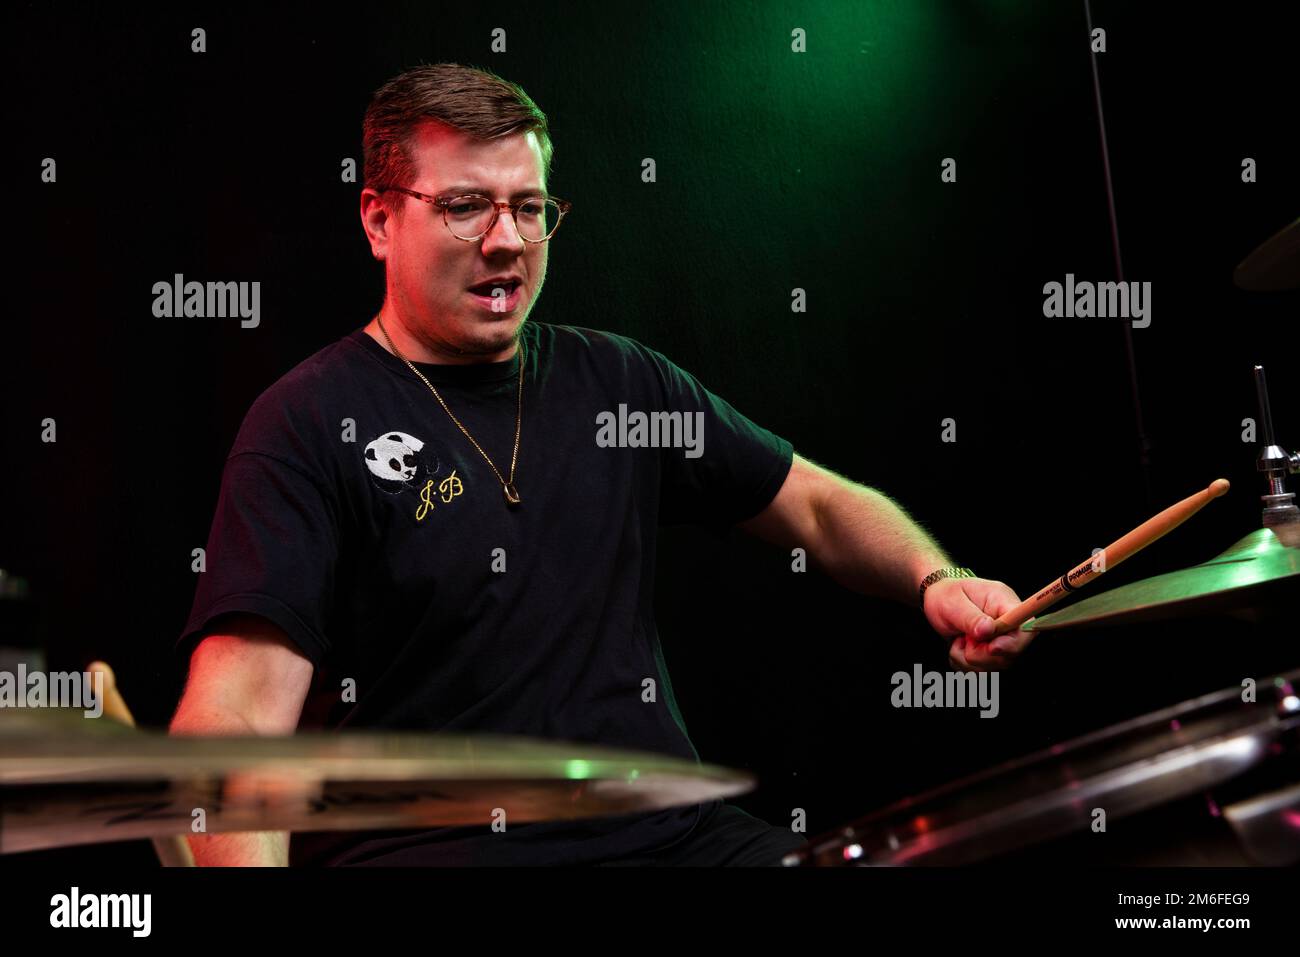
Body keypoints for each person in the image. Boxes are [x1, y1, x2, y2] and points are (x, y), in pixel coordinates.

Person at [169, 62, 1033, 867]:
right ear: (379, 220)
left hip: (672, 838)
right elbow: (232, 719)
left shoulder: (617, 379)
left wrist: (933, 576)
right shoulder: (307, 423)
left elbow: (812, 504)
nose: (506, 240)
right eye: (466, 206)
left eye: (530, 207)